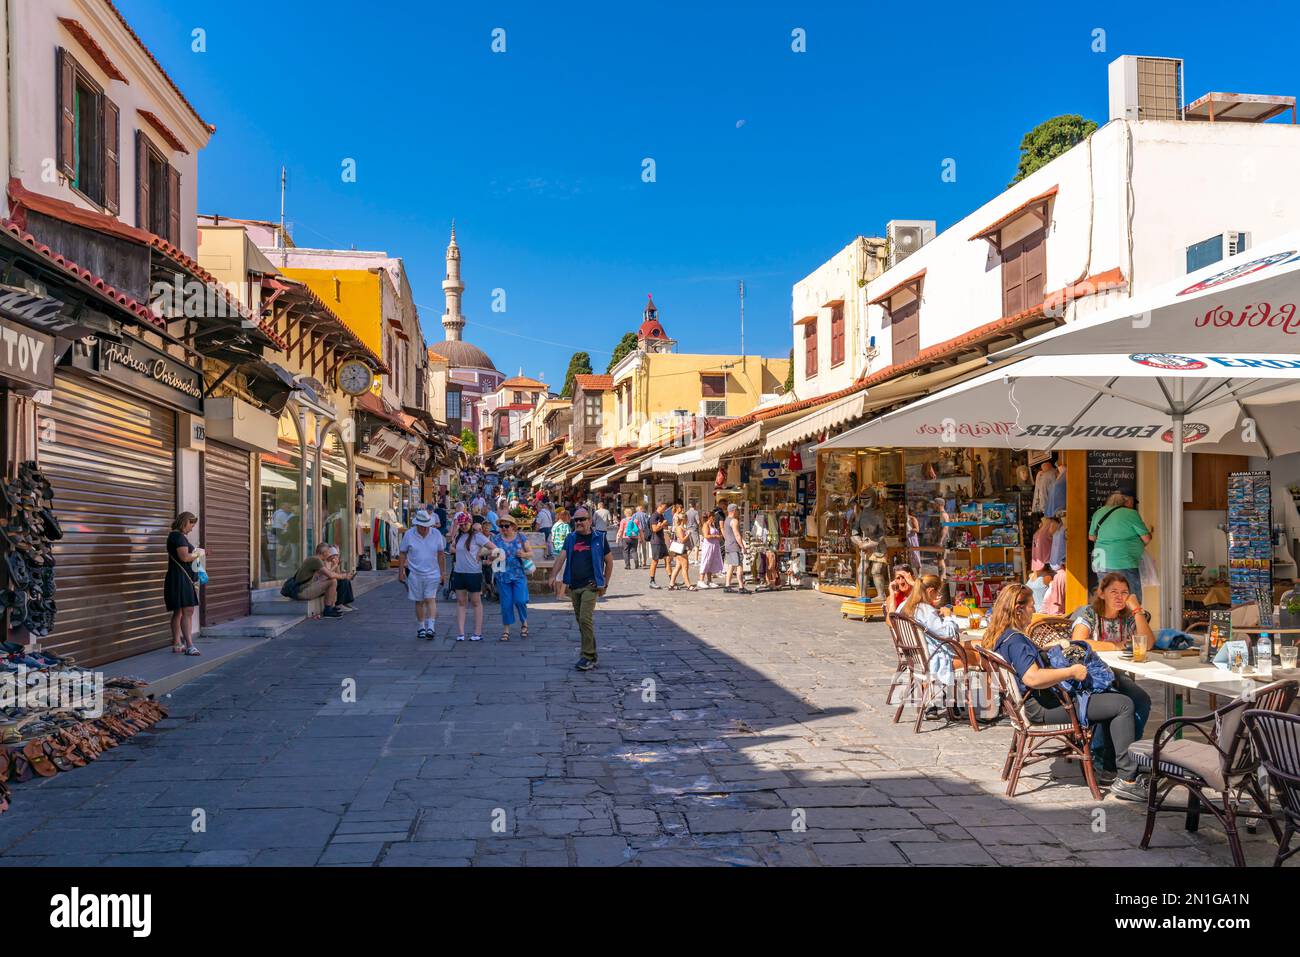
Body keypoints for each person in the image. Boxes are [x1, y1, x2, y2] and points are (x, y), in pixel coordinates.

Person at [983, 582, 1148, 801]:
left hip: (1033, 704)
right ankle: (1127, 779)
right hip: (1043, 708)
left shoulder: (1003, 636)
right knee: (1123, 704)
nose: (1035, 610)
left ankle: (1110, 768)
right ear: (1018, 609)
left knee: (1113, 695)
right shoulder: (1016, 641)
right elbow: (1032, 677)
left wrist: (1048, 648)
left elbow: (1028, 665)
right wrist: (1071, 671)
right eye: (1032, 606)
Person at [550, 506, 614, 672]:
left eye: (582, 519)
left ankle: (587, 655)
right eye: (576, 520)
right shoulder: (571, 538)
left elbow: (609, 561)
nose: (578, 522)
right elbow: (561, 557)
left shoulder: (599, 538)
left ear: (590, 521)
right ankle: (592, 656)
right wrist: (553, 575)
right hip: (574, 586)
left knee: (585, 619)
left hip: (590, 586)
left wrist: (605, 584)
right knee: (581, 621)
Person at [899, 573, 964, 690]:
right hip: (932, 659)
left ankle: (949, 698)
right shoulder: (926, 610)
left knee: (970, 646)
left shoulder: (903, 606)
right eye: (937, 592)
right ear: (930, 591)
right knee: (978, 655)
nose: (938, 596)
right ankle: (964, 701)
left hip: (914, 658)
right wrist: (948, 616)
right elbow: (949, 635)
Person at [1089, 492, 1152, 603]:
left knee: (1107, 596)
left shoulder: (1098, 513)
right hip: (1124, 561)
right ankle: (1130, 620)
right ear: (1126, 502)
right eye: (1131, 502)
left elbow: (1091, 537)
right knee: (1130, 598)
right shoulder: (1131, 513)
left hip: (1100, 561)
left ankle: (1109, 619)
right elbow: (1146, 538)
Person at [398, 509, 446, 640]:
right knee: (419, 601)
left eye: (427, 526)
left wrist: (443, 573)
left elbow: (441, 554)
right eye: (422, 527)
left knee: (430, 598)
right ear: (417, 525)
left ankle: (431, 627)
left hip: (433, 573)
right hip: (415, 573)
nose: (425, 529)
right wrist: (401, 571)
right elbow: (403, 553)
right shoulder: (409, 534)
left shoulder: (436, 534)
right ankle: (421, 627)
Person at [449, 512, 492, 641]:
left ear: (471, 522)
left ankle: (477, 633)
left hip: (474, 573)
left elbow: (494, 548)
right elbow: (452, 547)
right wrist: (453, 547)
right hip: (459, 572)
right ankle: (461, 633)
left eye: (465, 524)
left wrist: (483, 555)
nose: (463, 526)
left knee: (475, 602)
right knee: (461, 602)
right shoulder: (458, 536)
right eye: (461, 524)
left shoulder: (477, 536)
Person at [165, 512, 202, 656]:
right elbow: (185, 557)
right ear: (185, 522)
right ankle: (190, 645)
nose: (192, 528)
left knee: (178, 611)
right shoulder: (179, 537)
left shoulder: (173, 536)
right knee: (188, 611)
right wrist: (200, 554)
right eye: (191, 524)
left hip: (176, 578)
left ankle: (177, 643)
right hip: (181, 579)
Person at [493, 514, 532, 641]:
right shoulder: (496, 539)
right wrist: (493, 556)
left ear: (513, 526)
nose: (503, 528)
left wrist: (523, 554)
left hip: (519, 575)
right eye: (501, 526)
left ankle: (524, 622)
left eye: (506, 526)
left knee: (520, 601)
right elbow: (489, 553)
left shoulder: (521, 537)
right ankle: (506, 630)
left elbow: (531, 553)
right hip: (502, 576)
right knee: (506, 604)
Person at [289, 543, 349, 619]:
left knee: (332, 581)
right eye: (328, 552)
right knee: (332, 581)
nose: (329, 554)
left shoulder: (314, 560)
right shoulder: (316, 560)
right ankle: (328, 610)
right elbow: (330, 575)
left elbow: (324, 577)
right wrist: (344, 576)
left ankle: (331, 607)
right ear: (324, 553)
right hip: (301, 591)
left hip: (303, 589)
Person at [721, 503, 749, 594]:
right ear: (733, 511)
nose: (739, 512)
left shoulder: (726, 520)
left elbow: (726, 533)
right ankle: (741, 587)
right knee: (739, 566)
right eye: (737, 510)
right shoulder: (734, 521)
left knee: (731, 566)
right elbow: (737, 535)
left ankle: (727, 585)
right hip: (734, 546)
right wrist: (743, 547)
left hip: (728, 545)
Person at [647, 502, 672, 589]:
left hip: (661, 540)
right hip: (656, 541)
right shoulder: (654, 516)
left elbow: (662, 527)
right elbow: (654, 529)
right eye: (664, 507)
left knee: (667, 559)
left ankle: (672, 580)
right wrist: (662, 524)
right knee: (655, 561)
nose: (665, 509)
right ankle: (652, 581)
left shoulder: (661, 516)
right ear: (659, 506)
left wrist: (664, 525)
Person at [668, 516, 696, 591]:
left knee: (678, 567)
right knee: (685, 567)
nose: (688, 520)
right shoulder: (679, 528)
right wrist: (688, 534)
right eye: (687, 519)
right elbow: (682, 540)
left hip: (681, 549)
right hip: (681, 550)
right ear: (683, 519)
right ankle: (688, 585)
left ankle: (671, 584)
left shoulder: (682, 527)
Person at [698, 509, 725, 588]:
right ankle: (701, 580)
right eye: (713, 516)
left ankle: (709, 581)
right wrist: (716, 536)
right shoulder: (706, 525)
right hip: (708, 546)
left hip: (714, 546)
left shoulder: (712, 525)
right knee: (706, 561)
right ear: (709, 517)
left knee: (711, 562)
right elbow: (706, 536)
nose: (714, 518)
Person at [631, 502, 651, 569]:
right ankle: (644, 561)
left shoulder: (634, 515)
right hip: (643, 532)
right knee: (644, 548)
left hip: (636, 533)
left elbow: (632, 524)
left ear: (637, 510)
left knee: (638, 548)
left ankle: (639, 562)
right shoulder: (645, 515)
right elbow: (648, 523)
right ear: (641, 509)